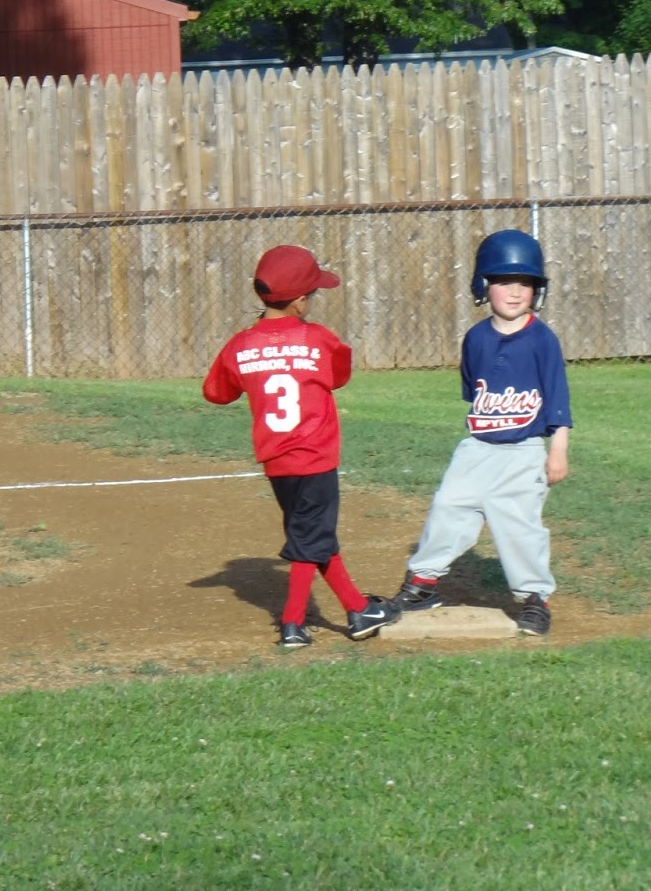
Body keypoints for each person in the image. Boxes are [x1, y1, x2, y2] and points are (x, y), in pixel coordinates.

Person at [202, 243, 400, 649]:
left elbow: (215, 393)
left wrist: (259, 362)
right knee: (310, 539)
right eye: (312, 294)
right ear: (300, 302)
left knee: (312, 534)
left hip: (277, 463)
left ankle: (359, 606)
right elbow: (339, 375)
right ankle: (295, 622)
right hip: (315, 458)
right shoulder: (318, 339)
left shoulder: (241, 345)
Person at [392, 228, 571, 636]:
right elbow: (473, 390)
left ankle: (534, 599)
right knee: (448, 506)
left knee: (519, 525)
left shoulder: (543, 341)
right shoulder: (474, 339)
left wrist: (557, 449)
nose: (515, 291)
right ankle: (423, 583)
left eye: (525, 283)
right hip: (476, 447)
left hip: (524, 449)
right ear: (483, 286)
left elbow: (558, 398)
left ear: (537, 290)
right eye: (505, 281)